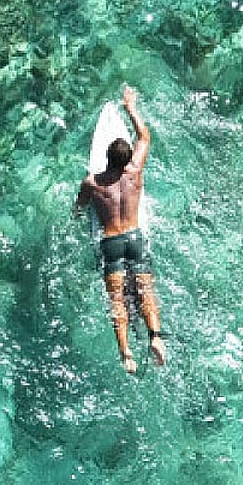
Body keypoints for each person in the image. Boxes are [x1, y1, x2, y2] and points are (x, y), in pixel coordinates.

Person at [74, 86, 167, 374]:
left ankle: (126, 353)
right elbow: (144, 136)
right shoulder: (135, 171)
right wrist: (130, 107)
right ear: (126, 161)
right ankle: (155, 338)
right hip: (135, 237)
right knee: (145, 290)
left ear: (106, 158)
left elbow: (79, 209)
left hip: (111, 241)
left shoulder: (93, 182)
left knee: (118, 301)